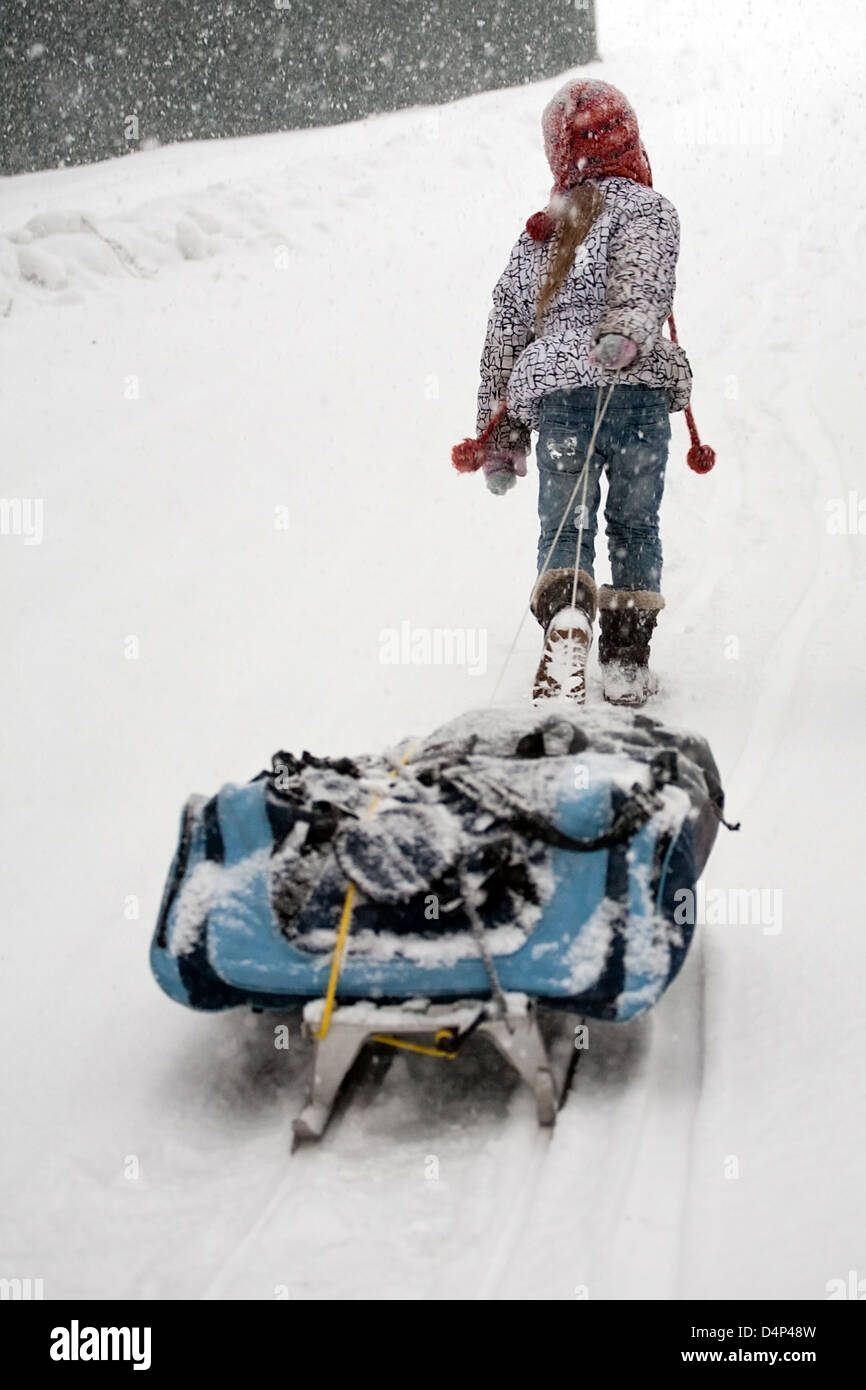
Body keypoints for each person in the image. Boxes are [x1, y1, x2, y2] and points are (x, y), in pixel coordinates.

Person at [452, 79, 712, 706]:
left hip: (564, 403)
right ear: (630, 138)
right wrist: (625, 332)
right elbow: (643, 277)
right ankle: (625, 659)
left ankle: (567, 621)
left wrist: (500, 433)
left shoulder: (543, 231)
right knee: (634, 524)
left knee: (565, 525)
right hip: (639, 400)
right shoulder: (649, 210)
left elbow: (506, 329)